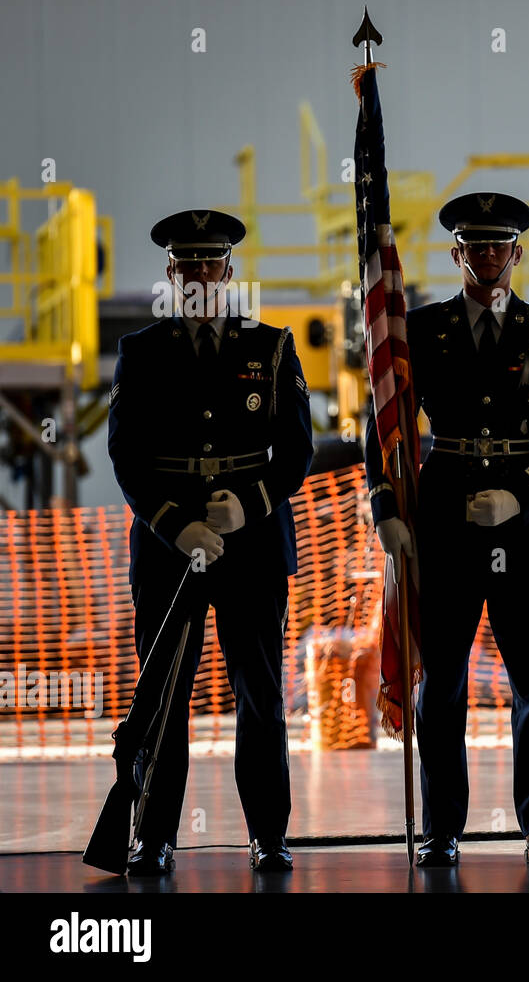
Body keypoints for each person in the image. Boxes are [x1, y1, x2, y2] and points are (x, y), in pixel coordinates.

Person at [365, 192, 529, 866]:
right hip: (445, 519)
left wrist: (521, 497)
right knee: (443, 681)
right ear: (456, 253)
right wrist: (387, 511)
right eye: (474, 245)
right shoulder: (418, 330)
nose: (487, 256)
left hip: (521, 525)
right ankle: (441, 829)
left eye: (500, 245)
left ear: (517, 253)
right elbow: (386, 421)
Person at [106, 209, 314, 874]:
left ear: (229, 270)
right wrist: (176, 524)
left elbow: (298, 452)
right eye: (186, 262)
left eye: (211, 262)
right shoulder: (142, 352)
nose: (199, 272)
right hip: (170, 545)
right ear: (171, 272)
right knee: (166, 695)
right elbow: (125, 455)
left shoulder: (273, 347)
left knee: (261, 696)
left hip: (249, 547)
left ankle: (268, 835)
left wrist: (244, 508)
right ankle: (153, 835)